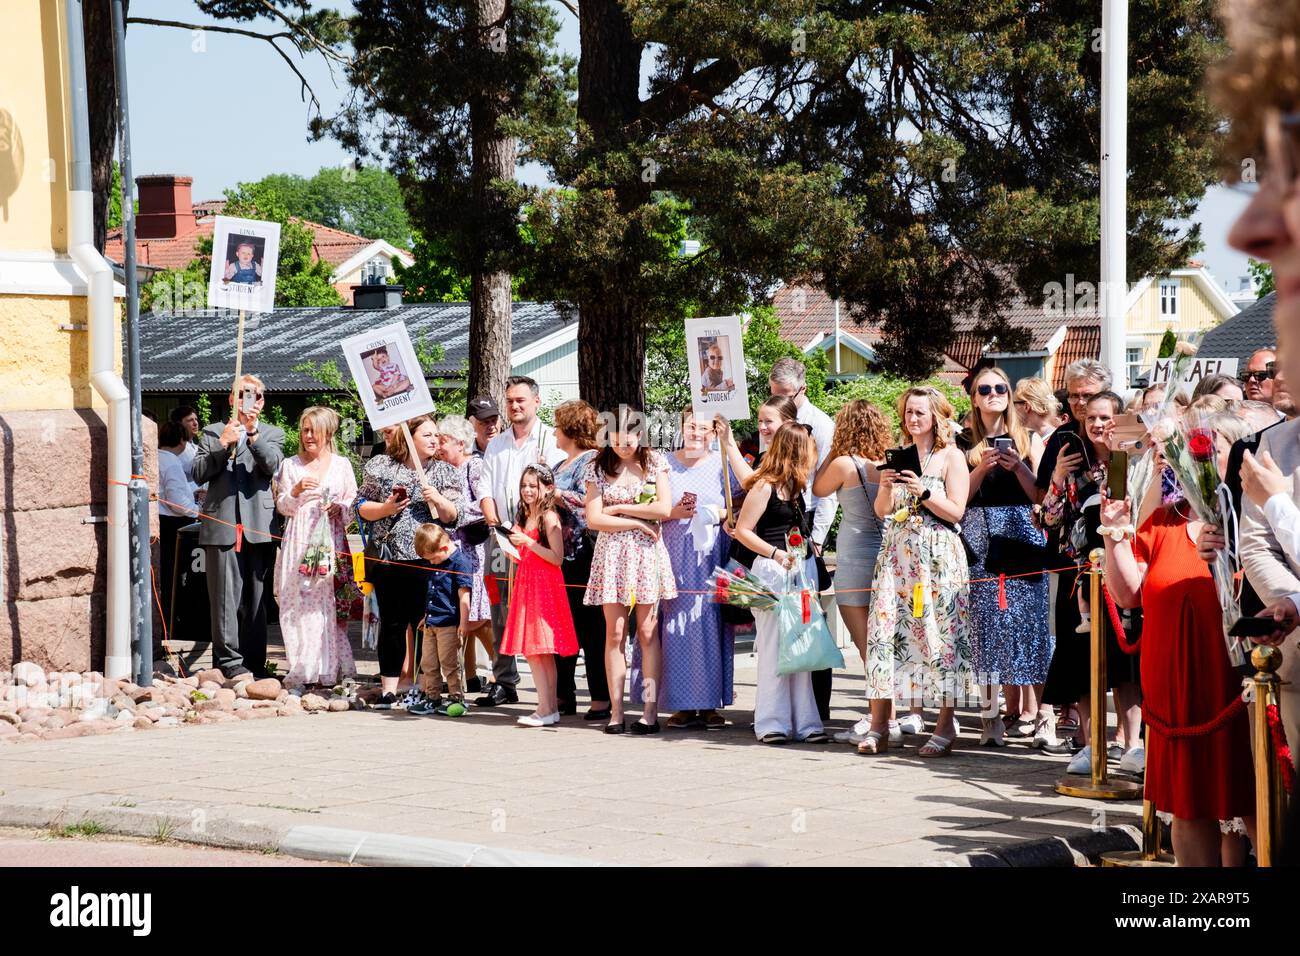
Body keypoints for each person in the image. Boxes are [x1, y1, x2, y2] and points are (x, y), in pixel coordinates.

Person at [1103, 488, 1256, 866]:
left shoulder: (1251, 517)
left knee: (1254, 803)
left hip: (1237, 693)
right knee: (1188, 808)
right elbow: (1127, 594)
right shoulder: (1165, 520)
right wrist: (1116, 533)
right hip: (1174, 699)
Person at [860, 386, 972, 756]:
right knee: (885, 632)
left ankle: (944, 723)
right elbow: (882, 511)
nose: (912, 419)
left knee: (939, 635)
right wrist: (888, 485)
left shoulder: (951, 456)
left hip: (938, 556)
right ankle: (879, 723)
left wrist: (924, 491)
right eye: (908, 412)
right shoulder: (900, 455)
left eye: (920, 413)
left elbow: (957, 511)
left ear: (937, 416)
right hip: (898, 554)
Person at [1039, 391, 1143, 773]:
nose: (1098, 425)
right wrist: (1056, 478)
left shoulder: (1134, 462)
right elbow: (1049, 521)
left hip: (1124, 570)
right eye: (1091, 419)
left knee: (1125, 661)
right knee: (1080, 661)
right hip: (1079, 575)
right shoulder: (1074, 464)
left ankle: (1132, 744)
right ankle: (1092, 742)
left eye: (1106, 417)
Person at [959, 367, 1052, 748]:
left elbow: (1043, 496)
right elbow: (958, 498)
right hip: (981, 535)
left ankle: (1043, 714)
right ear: (975, 398)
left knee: (1033, 627)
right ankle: (990, 718)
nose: (994, 393)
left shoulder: (1029, 438)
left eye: (1000, 388)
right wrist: (981, 466)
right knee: (985, 630)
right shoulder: (961, 441)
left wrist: (1020, 467)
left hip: (1024, 532)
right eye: (985, 389)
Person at [637, 409, 738, 729]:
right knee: (673, 627)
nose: (696, 432)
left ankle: (709, 703)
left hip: (710, 556)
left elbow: (737, 506)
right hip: (672, 553)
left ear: (713, 432)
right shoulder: (663, 463)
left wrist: (715, 511)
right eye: (691, 426)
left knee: (708, 626)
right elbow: (647, 507)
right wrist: (673, 511)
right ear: (681, 427)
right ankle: (677, 704)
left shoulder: (722, 465)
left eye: (703, 428)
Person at [730, 421, 827, 744]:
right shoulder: (764, 485)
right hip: (772, 572)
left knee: (801, 646)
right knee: (773, 647)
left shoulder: (796, 487)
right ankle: (771, 720)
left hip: (799, 570)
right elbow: (744, 530)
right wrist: (774, 553)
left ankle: (805, 721)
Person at [357, 415, 462, 709]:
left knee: (424, 624)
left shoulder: (443, 472)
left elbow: (455, 515)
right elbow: (360, 506)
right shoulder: (381, 467)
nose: (434, 440)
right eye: (427, 435)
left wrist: (438, 499)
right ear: (409, 437)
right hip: (388, 558)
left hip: (427, 561)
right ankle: (389, 688)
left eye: (436, 435)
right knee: (391, 623)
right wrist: (386, 508)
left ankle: (423, 686)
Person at [583, 412, 676, 735]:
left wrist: (621, 509)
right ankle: (616, 710)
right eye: (617, 437)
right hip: (612, 555)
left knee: (648, 634)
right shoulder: (596, 467)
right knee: (615, 634)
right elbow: (594, 518)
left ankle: (650, 710)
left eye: (630, 436)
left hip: (647, 554)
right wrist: (637, 520)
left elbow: (664, 509)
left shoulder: (655, 462)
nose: (623, 443)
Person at [476, 376, 566, 707]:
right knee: (500, 606)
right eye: (510, 400)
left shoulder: (549, 441)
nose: (515, 406)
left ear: (536, 402)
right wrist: (494, 522)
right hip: (501, 536)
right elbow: (484, 487)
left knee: (540, 609)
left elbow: (556, 489)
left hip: (537, 536)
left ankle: (554, 689)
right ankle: (504, 679)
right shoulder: (497, 443)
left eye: (521, 400)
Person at [191, 374, 284, 679]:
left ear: (262, 401)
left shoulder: (272, 433)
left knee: (257, 599)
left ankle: (255, 662)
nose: (249, 401)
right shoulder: (212, 432)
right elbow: (198, 473)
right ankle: (228, 662)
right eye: (242, 395)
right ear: (232, 399)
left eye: (255, 396)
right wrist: (222, 445)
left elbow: (273, 466)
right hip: (223, 523)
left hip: (258, 524)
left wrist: (253, 434)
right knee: (224, 598)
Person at [811, 400, 889, 745]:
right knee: (884, 642)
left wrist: (832, 450)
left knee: (866, 646)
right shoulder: (887, 462)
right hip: (886, 556)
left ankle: (878, 718)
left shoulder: (843, 463)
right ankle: (889, 715)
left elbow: (817, 488)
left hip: (855, 556)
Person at [272, 406, 358, 689]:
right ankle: (301, 667)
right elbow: (283, 506)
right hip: (299, 540)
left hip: (329, 540)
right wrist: (295, 491)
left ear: (328, 433)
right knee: (296, 604)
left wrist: (338, 508)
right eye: (305, 430)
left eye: (314, 431)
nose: (308, 436)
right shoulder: (290, 465)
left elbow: (352, 504)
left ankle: (327, 668)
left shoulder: (342, 465)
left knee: (326, 605)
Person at [501, 464, 579, 727]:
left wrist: (529, 543)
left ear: (547, 488)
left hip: (544, 586)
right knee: (538, 652)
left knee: (539, 649)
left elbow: (557, 558)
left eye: (533, 486)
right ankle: (549, 707)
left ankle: (545, 708)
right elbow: (526, 555)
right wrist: (513, 546)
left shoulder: (549, 517)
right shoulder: (526, 516)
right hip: (528, 582)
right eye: (524, 485)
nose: (527, 490)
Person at [552, 399, 611, 719]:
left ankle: (600, 696)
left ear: (571, 429)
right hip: (557, 555)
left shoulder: (590, 462)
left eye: (558, 426)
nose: (554, 432)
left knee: (591, 627)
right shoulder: (558, 465)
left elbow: (591, 508)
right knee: (563, 625)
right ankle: (563, 693)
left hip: (584, 553)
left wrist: (558, 495)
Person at [437, 414, 495, 694]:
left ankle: (503, 668)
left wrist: (454, 510)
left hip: (471, 547)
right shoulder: (443, 469)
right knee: (465, 614)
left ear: (460, 443)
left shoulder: (474, 466)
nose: (439, 445)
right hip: (453, 547)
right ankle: (469, 675)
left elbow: (483, 504)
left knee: (474, 614)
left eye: (443, 440)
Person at [410, 523, 472, 716]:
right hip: (431, 621)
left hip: (449, 623)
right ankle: (433, 697)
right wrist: (426, 616)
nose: (432, 563)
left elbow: (464, 596)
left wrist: (464, 622)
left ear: (444, 548)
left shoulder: (459, 563)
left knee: (449, 662)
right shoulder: (436, 560)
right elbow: (434, 593)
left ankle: (456, 697)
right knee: (428, 662)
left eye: (433, 559)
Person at [157, 419, 200, 637]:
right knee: (174, 578)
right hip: (173, 524)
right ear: (182, 441)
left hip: (163, 521)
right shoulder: (171, 462)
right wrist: (196, 510)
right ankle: (172, 625)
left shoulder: (158, 457)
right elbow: (174, 499)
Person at [1012, 377, 1065, 442]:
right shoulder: (1060, 438)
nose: (1012, 409)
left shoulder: (1056, 442)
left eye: (1013, 404)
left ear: (1026, 406)